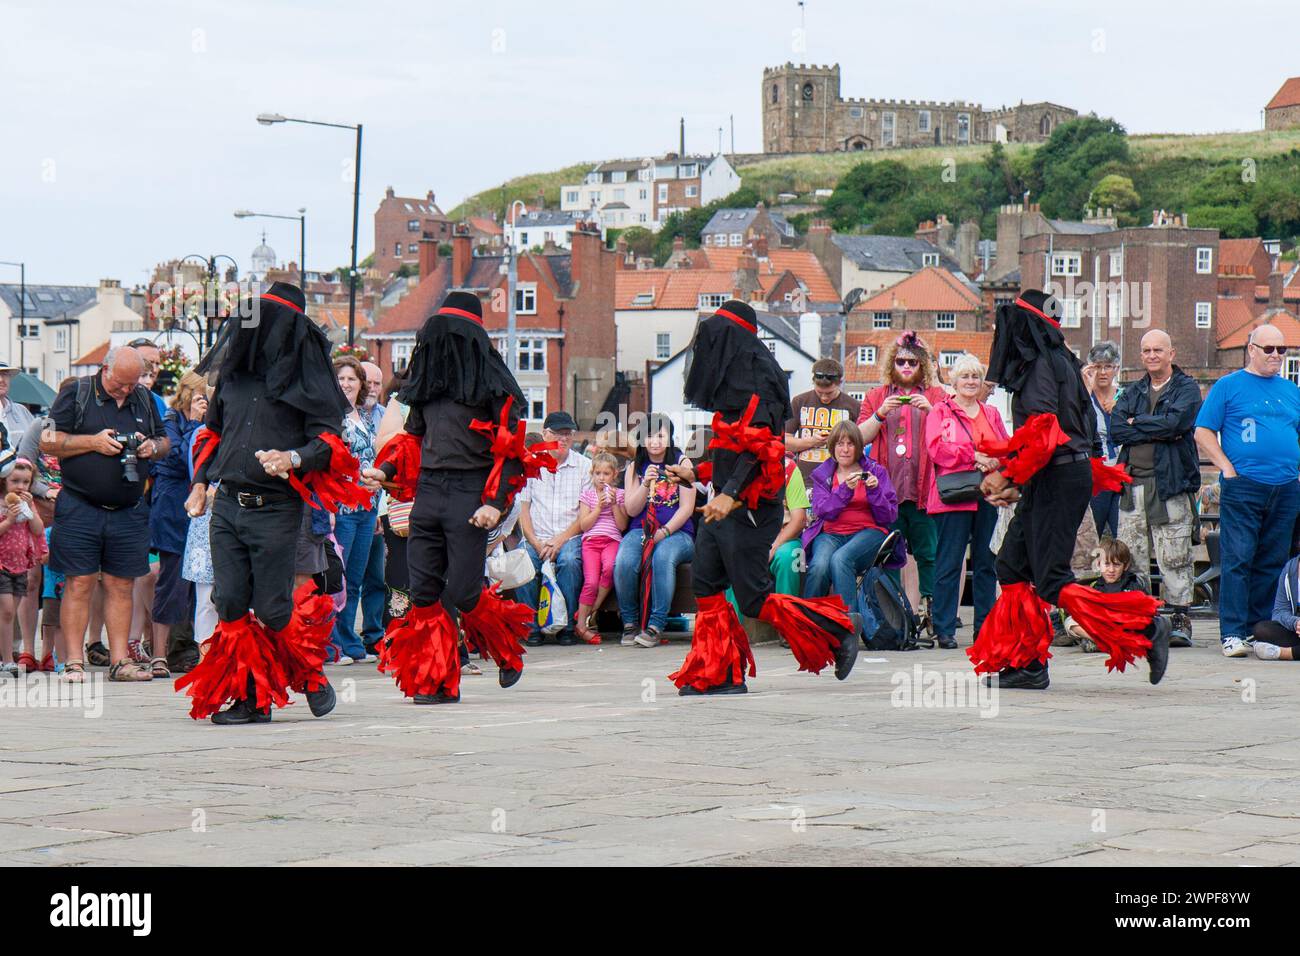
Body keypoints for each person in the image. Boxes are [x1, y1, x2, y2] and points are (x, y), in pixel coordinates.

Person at [175, 282, 358, 724]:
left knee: (275, 608)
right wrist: (199, 484)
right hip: (228, 506)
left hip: (277, 508)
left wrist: (292, 457)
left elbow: (331, 443)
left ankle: (311, 676)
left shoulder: (309, 384)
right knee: (230, 601)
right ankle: (251, 700)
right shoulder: (232, 381)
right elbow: (212, 437)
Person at [970, 290, 1170, 690]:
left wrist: (1009, 477)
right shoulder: (1062, 361)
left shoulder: (1043, 365)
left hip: (1056, 477)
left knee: (1051, 579)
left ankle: (1146, 626)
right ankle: (1027, 662)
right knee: (1011, 566)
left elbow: (1044, 433)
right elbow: (1077, 434)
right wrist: (1018, 476)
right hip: (1058, 476)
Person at [663, 299, 860, 696]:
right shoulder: (732, 389)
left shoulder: (762, 384)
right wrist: (698, 473)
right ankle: (721, 673)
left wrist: (730, 495)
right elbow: (729, 452)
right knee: (705, 586)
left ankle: (838, 630)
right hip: (725, 504)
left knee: (754, 600)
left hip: (752, 510)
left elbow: (765, 451)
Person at [362, 290, 547, 704]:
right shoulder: (427, 392)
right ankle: (438, 680)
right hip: (428, 493)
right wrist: (385, 470)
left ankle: (506, 651)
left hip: (470, 498)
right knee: (424, 592)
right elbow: (411, 440)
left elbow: (511, 454)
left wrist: (494, 504)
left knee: (464, 592)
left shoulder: (495, 392)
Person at [41, 346, 169, 684]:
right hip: (80, 505)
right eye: (120, 384)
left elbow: (164, 441)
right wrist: (92, 443)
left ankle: (120, 661)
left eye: (133, 383)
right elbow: (47, 440)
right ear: (104, 369)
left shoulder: (143, 397)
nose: (126, 390)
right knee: (79, 581)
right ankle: (73, 661)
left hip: (128, 509)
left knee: (121, 584)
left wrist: (150, 448)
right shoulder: (76, 392)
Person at [1195, 323, 1300, 658]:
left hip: (1286, 485)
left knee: (1272, 558)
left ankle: (1258, 627)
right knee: (1238, 556)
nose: (1276, 356)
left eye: (1281, 350)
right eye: (1268, 348)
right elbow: (1203, 431)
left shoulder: (1291, 390)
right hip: (1244, 485)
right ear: (1251, 349)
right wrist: (1226, 468)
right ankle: (1233, 631)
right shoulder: (1229, 386)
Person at [1111, 329, 1202, 648]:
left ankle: (1179, 617)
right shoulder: (1133, 390)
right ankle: (1140, 616)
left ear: (1171, 353)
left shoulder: (1187, 388)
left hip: (1171, 485)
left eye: (1158, 350)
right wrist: (1155, 426)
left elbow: (1177, 424)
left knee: (1175, 555)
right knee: (1130, 555)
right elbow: (1117, 429)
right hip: (1132, 486)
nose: (1151, 355)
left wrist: (1140, 423)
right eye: (1146, 350)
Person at [856, 331, 948, 628]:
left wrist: (933, 412)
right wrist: (880, 414)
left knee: (929, 555)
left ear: (922, 365)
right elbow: (858, 438)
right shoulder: (875, 396)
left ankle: (933, 613)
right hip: (887, 494)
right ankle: (895, 615)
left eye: (912, 361)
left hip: (925, 492)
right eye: (900, 361)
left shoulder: (938, 396)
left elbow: (953, 435)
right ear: (891, 365)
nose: (906, 366)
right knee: (890, 556)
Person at [926, 353, 1009, 649]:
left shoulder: (992, 414)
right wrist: (973, 456)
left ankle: (984, 628)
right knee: (949, 562)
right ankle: (945, 628)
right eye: (965, 377)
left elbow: (1005, 447)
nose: (971, 382)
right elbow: (936, 449)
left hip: (987, 494)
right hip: (954, 495)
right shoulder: (940, 411)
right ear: (954, 381)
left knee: (987, 562)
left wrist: (993, 461)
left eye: (975, 376)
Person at [144, 371, 208, 679]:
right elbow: (185, 458)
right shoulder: (169, 422)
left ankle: (187, 647)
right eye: (200, 397)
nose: (205, 403)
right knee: (173, 581)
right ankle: (161, 652)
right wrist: (195, 424)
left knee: (197, 584)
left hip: (197, 510)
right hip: (172, 510)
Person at [802, 420, 900, 615]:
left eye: (850, 444)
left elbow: (889, 515)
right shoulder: (823, 474)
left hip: (869, 533)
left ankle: (848, 628)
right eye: (840, 444)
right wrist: (845, 490)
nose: (845, 449)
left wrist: (875, 491)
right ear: (832, 447)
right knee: (819, 566)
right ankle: (807, 625)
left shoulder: (876, 471)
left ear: (859, 447)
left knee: (841, 559)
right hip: (831, 534)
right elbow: (823, 511)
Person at [614, 415, 695, 648]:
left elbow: (687, 508)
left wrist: (666, 532)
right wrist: (645, 484)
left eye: (661, 436)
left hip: (678, 533)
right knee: (624, 561)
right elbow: (631, 508)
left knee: (662, 557)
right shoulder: (634, 467)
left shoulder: (682, 463)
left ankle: (656, 624)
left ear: (670, 438)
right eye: (650, 436)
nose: (655, 442)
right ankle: (630, 623)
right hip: (641, 529)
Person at [517, 410, 591, 647]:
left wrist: (560, 540)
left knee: (569, 561)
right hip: (536, 536)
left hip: (570, 536)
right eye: (557, 433)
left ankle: (567, 626)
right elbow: (523, 511)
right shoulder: (531, 464)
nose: (563, 438)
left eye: (568, 433)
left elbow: (584, 513)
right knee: (524, 560)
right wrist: (536, 542)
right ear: (545, 434)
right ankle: (530, 627)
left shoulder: (584, 466)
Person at [327, 355, 379, 665]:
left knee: (357, 578)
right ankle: (332, 643)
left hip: (368, 507)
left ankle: (349, 639)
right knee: (339, 579)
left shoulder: (366, 417)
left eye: (351, 379)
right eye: (341, 379)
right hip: (343, 506)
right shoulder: (332, 416)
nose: (346, 384)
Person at [574, 452, 628, 643]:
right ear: (592, 474)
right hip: (591, 542)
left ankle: (591, 610)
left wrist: (613, 504)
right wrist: (598, 507)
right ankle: (581, 625)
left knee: (610, 568)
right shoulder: (587, 496)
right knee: (590, 581)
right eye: (598, 473)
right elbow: (584, 525)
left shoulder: (620, 495)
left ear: (614, 475)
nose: (601, 478)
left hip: (612, 540)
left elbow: (622, 526)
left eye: (606, 474)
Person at [0, 460, 47, 676]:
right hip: (1, 563)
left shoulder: (27, 505)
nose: (20, 486)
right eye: (15, 481)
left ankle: (6, 655)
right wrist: (9, 519)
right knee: (7, 610)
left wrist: (32, 512)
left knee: (8, 615)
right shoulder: (2, 503)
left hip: (20, 565)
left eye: (26, 482)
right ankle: (8, 659)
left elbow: (37, 530)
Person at [1065, 537, 1150, 651]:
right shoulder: (1094, 586)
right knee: (1070, 622)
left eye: (1116, 565)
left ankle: (1103, 643)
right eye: (1107, 564)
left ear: (1125, 566)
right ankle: (1104, 641)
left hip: (1123, 626)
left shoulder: (1134, 584)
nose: (1111, 570)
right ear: (1099, 564)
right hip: (1102, 628)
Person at [785, 358, 861, 482]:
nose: (824, 397)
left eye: (829, 393)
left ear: (840, 383)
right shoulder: (799, 401)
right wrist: (812, 442)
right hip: (805, 479)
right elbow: (785, 441)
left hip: (840, 481)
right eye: (819, 392)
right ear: (813, 382)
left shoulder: (853, 406)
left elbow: (859, 445)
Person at [358, 361, 387, 654]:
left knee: (377, 577)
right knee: (349, 577)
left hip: (380, 507)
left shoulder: (385, 418)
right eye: (369, 382)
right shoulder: (346, 417)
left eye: (378, 384)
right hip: (349, 506)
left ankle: (374, 634)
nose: (373, 389)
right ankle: (342, 638)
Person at [1082, 341, 1122, 538]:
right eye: (1097, 367)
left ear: (1116, 369)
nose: (1103, 372)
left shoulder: (1125, 398)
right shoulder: (1084, 398)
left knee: (1122, 536)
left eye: (1108, 366)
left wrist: (1121, 414)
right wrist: (1086, 391)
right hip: (1095, 476)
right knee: (1091, 535)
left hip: (1122, 474)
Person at [1252, 551, 1300, 660]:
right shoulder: (1290, 569)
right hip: (1296, 632)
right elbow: (1279, 612)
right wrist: (1295, 623)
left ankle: (1284, 653)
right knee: (1261, 629)